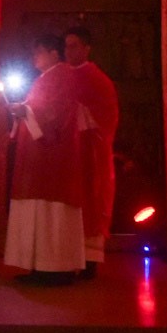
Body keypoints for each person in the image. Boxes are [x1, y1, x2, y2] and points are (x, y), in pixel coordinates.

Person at [4, 35, 86, 285]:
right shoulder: (46, 78)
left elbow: (54, 115)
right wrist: (22, 111)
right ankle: (40, 266)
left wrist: (25, 110)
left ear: (54, 54)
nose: (35, 57)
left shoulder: (62, 76)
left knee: (50, 211)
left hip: (53, 158)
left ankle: (55, 268)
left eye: (39, 52)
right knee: (39, 210)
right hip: (38, 158)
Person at [65, 25, 119, 280]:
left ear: (87, 49)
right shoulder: (60, 76)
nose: (68, 51)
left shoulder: (98, 80)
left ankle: (90, 260)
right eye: (66, 46)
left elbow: (107, 117)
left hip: (90, 152)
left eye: (74, 45)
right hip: (68, 154)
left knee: (92, 200)